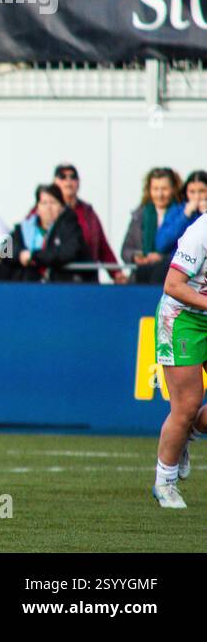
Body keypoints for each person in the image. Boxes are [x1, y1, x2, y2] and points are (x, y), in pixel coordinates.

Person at [150, 208, 207, 508]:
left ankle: (188, 435)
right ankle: (165, 483)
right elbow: (172, 285)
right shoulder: (202, 232)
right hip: (183, 317)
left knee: (188, 419)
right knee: (186, 406)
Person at [0, 184, 92, 282]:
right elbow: (3, 250)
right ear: (37, 207)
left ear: (61, 207)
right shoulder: (24, 227)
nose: (48, 207)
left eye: (53, 202)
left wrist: (33, 256)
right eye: (44, 203)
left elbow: (68, 252)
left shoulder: (71, 226)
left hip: (60, 285)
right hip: (28, 285)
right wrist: (20, 255)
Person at [48, 163, 125, 282]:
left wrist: (116, 273)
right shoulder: (42, 210)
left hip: (86, 279)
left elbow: (103, 247)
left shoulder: (88, 213)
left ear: (78, 182)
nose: (68, 181)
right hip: (55, 281)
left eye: (73, 177)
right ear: (54, 182)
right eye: (62, 176)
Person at [122, 167, 187, 284]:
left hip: (172, 280)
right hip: (141, 279)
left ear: (173, 189)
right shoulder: (140, 214)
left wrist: (163, 259)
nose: (160, 194)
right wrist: (135, 257)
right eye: (155, 189)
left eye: (164, 189)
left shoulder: (183, 213)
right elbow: (126, 249)